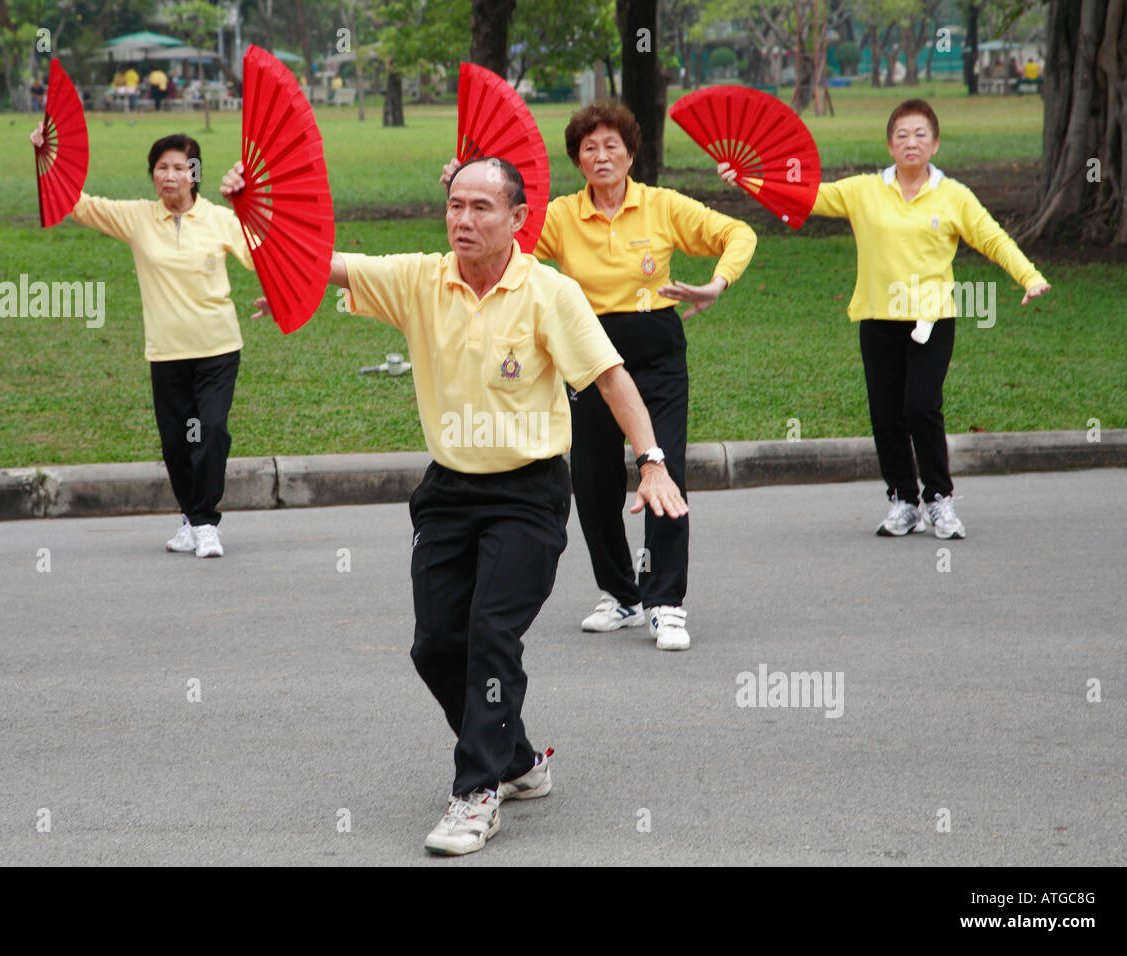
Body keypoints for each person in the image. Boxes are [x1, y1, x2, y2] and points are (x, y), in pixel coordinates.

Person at [222, 156, 687, 855]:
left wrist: (651, 461)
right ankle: (519, 759)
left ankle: (475, 793)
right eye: (455, 206)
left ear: (518, 219)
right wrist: (249, 210)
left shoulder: (549, 293)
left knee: (492, 634)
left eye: (481, 208)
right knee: (437, 644)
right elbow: (315, 260)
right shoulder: (420, 279)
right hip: (447, 490)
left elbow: (612, 379)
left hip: (527, 492)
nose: (464, 220)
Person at [442, 101, 756, 651]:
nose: (601, 155)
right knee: (592, 482)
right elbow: (507, 253)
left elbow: (738, 233)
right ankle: (622, 594)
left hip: (656, 353)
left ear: (631, 153)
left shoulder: (661, 206)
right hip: (588, 353)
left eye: (612, 145)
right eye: (589, 148)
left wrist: (717, 284)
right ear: (577, 160)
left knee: (664, 471)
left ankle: (665, 601)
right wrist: (468, 195)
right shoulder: (562, 215)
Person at [719, 98, 1051, 539]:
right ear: (890, 146)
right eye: (901, 135)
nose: (910, 143)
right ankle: (903, 502)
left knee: (922, 406)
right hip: (877, 317)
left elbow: (992, 238)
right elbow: (807, 194)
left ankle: (939, 501)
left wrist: (1028, 276)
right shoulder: (862, 190)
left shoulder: (954, 196)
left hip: (932, 318)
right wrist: (748, 179)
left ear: (935, 144)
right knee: (886, 413)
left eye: (920, 135)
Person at [31, 125, 257, 557]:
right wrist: (47, 155)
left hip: (217, 347)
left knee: (210, 432)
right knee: (177, 442)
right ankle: (190, 518)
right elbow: (75, 204)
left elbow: (262, 252)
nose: (169, 175)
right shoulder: (137, 219)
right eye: (161, 168)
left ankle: (207, 524)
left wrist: (274, 294)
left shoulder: (220, 219)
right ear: (152, 175)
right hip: (167, 352)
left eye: (178, 167)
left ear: (195, 173)